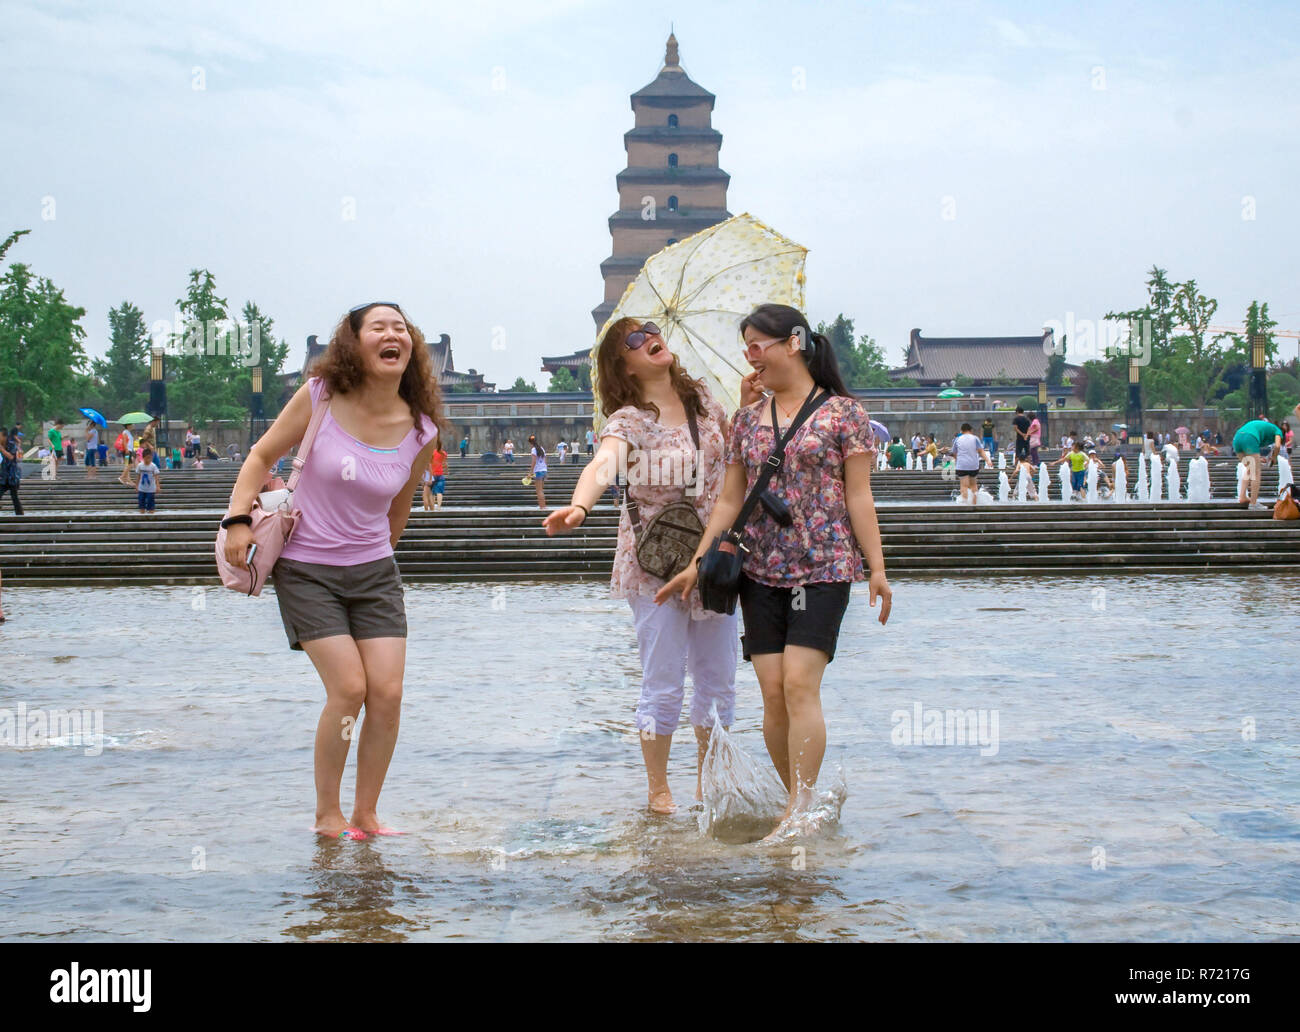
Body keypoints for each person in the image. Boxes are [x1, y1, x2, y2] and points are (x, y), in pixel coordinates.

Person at [657, 304, 892, 840]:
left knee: (798, 682)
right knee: (771, 691)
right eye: (747, 346)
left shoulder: (843, 415)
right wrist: (698, 563)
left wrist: (876, 569)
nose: (750, 355)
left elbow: (860, 496)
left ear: (794, 343)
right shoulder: (745, 420)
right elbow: (728, 502)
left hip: (824, 564)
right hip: (759, 570)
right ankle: (795, 802)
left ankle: (802, 805)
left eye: (759, 343)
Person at [221, 302, 441, 841]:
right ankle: (327, 815)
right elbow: (260, 456)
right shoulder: (320, 397)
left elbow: (400, 507)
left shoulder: (420, 429)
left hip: (374, 574)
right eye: (378, 327)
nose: (393, 335)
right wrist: (235, 522)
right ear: (354, 343)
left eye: (401, 328)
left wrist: (377, 553)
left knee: (386, 693)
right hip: (307, 568)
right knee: (349, 688)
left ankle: (365, 814)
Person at [544, 316, 741, 815]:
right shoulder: (630, 420)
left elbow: (735, 464)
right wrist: (580, 506)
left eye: (651, 330)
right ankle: (658, 790)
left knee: (719, 678)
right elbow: (603, 464)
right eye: (634, 339)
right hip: (653, 563)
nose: (650, 338)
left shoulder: (707, 405)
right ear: (622, 365)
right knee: (663, 679)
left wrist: (748, 398)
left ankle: (707, 782)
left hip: (714, 558)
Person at [1232, 415, 1285, 509]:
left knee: (1249, 469)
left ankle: (1242, 497)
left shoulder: (1266, 428)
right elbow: (1277, 446)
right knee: (1256, 472)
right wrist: (1274, 457)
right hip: (1249, 438)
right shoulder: (1278, 430)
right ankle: (1253, 503)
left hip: (1237, 439)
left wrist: (1258, 458)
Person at [950, 422, 992, 505]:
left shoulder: (957, 439)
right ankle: (974, 504)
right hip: (973, 465)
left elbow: (954, 453)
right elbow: (981, 451)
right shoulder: (975, 438)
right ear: (971, 430)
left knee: (964, 485)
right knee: (973, 485)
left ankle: (965, 505)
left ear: (961, 430)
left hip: (962, 465)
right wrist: (988, 460)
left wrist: (957, 460)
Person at [0, 428, 23, 515]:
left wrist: (2, 449)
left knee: (14, 498)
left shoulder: (12, 445)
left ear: (4, 436)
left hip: (13, 476)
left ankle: (20, 516)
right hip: (3, 476)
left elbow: (11, 457)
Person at [135, 446, 161, 514]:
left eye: (149, 458)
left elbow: (156, 476)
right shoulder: (140, 466)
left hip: (151, 488)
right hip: (142, 488)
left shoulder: (153, 466)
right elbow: (138, 476)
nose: (148, 460)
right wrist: (136, 485)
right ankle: (142, 512)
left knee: (150, 502)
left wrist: (158, 486)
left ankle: (151, 513)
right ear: (143, 457)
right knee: (141, 502)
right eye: (146, 458)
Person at [527, 435, 547, 508]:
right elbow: (545, 461)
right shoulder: (542, 448)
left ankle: (542, 507)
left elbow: (534, 461)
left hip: (538, 471)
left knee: (539, 491)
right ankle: (543, 506)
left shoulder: (533, 449)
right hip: (544, 470)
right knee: (541, 490)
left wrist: (531, 472)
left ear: (530, 443)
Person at [427, 442, 447, 511]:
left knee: (432, 492)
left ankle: (432, 508)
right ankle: (438, 507)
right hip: (440, 474)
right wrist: (446, 470)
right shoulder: (444, 453)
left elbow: (428, 463)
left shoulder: (432, 453)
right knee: (439, 492)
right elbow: (444, 463)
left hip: (432, 475)